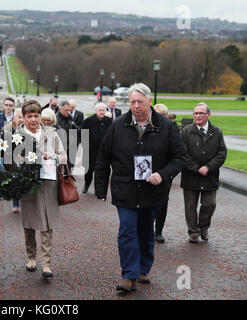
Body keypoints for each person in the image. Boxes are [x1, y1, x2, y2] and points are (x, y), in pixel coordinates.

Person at [94, 83, 185, 292]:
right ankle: (129, 275)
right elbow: (103, 157)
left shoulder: (167, 126)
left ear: (149, 101)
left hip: (153, 191)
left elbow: (179, 158)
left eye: (140, 102)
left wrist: (162, 175)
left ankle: (143, 269)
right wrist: (100, 188)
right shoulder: (117, 125)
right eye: (132, 102)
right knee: (127, 231)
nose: (136, 106)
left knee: (145, 231)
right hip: (125, 189)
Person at [17, 100, 67, 279]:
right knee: (29, 225)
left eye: (36, 116)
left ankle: (46, 264)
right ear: (23, 117)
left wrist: (52, 156)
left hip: (48, 185)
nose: (33, 119)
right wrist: (21, 161)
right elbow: (9, 163)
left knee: (47, 225)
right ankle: (31, 258)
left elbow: (63, 156)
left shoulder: (51, 134)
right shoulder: (17, 136)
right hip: (29, 187)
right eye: (29, 116)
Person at [180, 102, 227, 243]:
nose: (197, 116)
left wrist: (209, 166)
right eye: (195, 113)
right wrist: (196, 168)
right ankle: (193, 232)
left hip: (210, 176)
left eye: (201, 113)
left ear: (208, 115)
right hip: (190, 176)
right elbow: (182, 153)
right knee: (190, 206)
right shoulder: (186, 131)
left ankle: (204, 227)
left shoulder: (217, 132)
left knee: (210, 204)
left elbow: (222, 152)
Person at [152, 103, 175, 243]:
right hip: (147, 170)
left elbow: (177, 153)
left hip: (165, 172)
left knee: (163, 201)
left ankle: (158, 231)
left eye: (160, 114)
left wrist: (168, 172)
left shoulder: (171, 129)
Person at [81, 102, 112, 194]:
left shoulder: (109, 121)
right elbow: (83, 136)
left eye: (103, 110)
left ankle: (98, 190)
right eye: (100, 110)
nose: (102, 112)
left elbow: (111, 135)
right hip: (91, 151)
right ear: (96, 111)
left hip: (103, 151)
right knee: (89, 170)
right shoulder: (88, 121)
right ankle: (86, 184)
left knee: (101, 171)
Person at [2, 108, 24, 213]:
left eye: (23, 117)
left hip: (24, 159)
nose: (21, 119)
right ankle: (15, 203)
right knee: (15, 181)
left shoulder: (27, 128)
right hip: (11, 159)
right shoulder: (7, 128)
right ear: (14, 118)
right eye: (19, 117)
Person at [56, 100, 79, 169]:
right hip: (59, 147)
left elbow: (75, 129)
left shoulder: (69, 117)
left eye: (69, 110)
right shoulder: (56, 119)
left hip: (69, 146)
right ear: (60, 109)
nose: (68, 112)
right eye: (66, 110)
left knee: (68, 167)